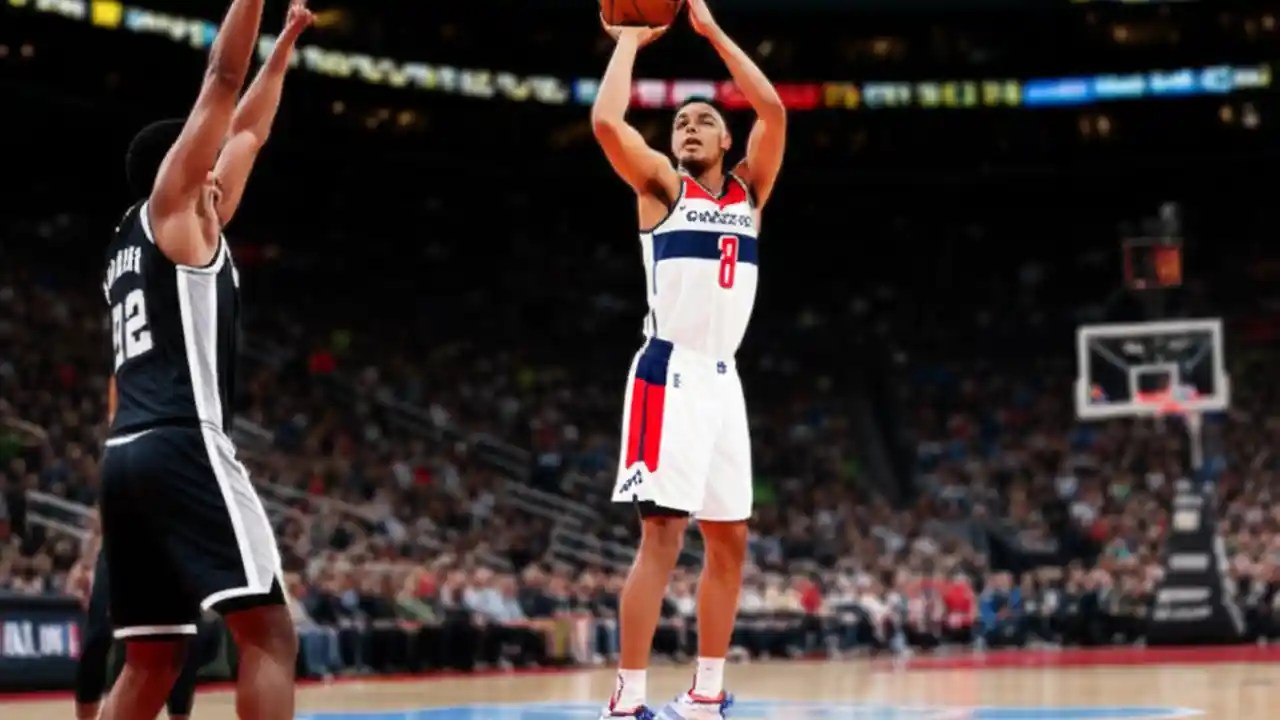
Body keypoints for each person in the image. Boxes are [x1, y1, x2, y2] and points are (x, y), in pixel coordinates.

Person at [96, 2, 312, 718]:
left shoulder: (134, 246)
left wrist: (284, 44)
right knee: (271, 636)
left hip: (124, 458)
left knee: (154, 658)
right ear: (182, 171)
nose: (221, 173)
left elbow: (249, 129)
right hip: (182, 440)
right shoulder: (172, 211)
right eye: (206, 167)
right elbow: (222, 82)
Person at [590, 0, 786, 716]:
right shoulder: (661, 189)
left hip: (723, 378)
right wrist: (630, 43)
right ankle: (627, 696)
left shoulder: (750, 190)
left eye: (704, 118)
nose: (690, 126)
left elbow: (776, 113)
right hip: (667, 372)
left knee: (730, 544)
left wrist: (710, 32)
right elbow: (608, 123)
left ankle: (706, 694)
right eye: (680, 121)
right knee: (663, 537)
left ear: (727, 138)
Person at [74, 526, 207, 720]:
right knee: (97, 636)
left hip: (172, 540)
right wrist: (86, 564)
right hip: (120, 543)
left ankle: (179, 716)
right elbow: (100, 515)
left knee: (184, 636)